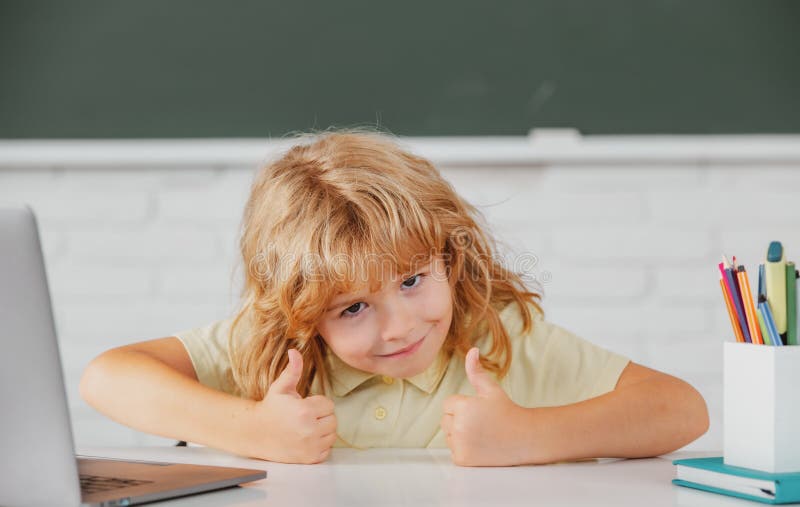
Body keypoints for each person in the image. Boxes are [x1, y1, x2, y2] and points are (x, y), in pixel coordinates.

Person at [80, 130, 709, 466]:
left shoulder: (492, 333)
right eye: (353, 308)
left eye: (412, 281)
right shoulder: (279, 351)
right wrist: (252, 429)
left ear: (449, 255)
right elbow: (107, 378)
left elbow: (680, 410)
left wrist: (528, 437)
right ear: (301, 312)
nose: (401, 325)